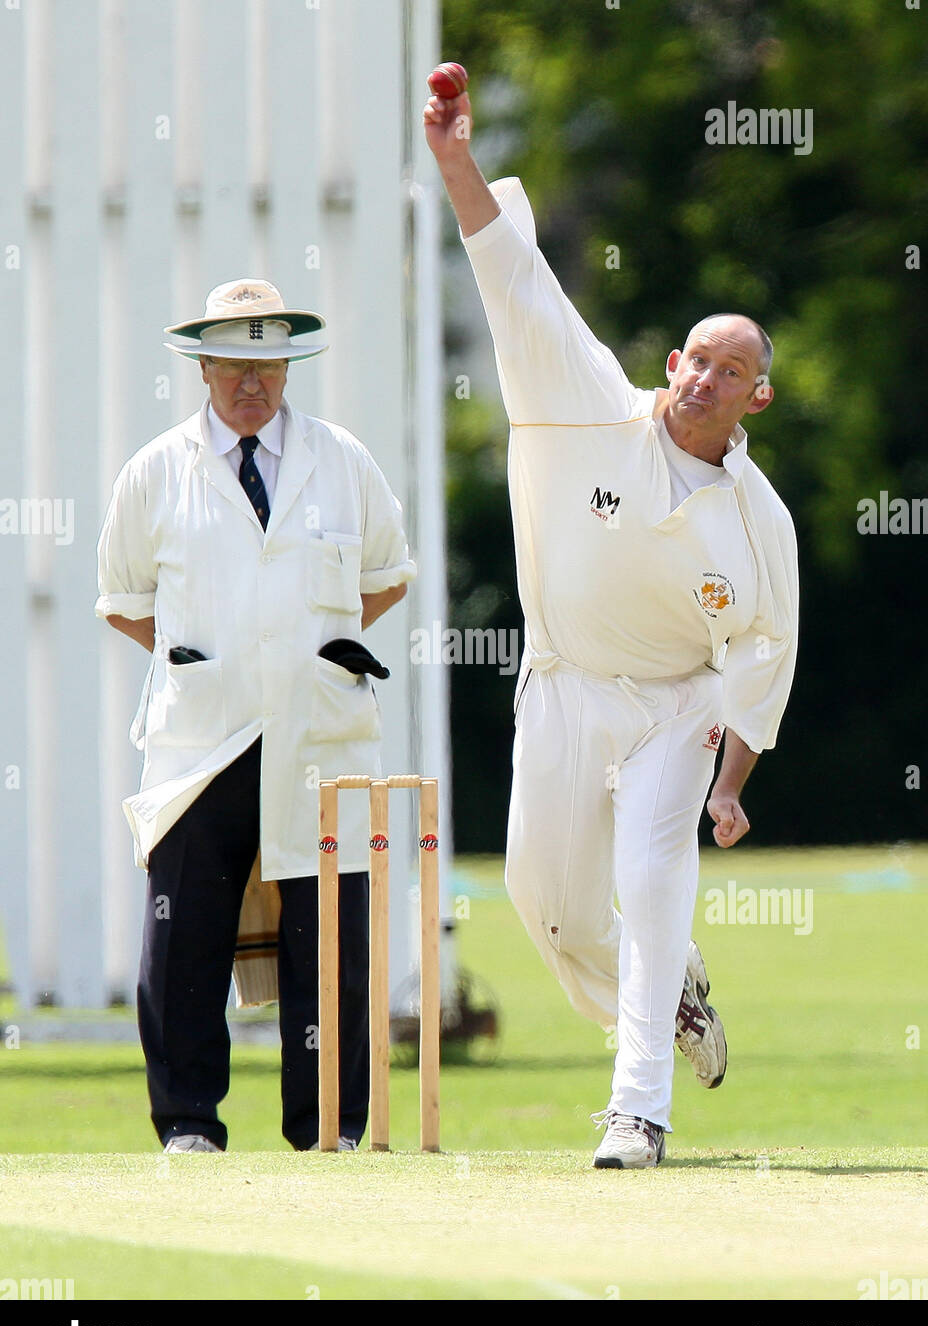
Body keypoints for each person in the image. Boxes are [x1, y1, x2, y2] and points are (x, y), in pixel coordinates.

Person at [424, 85, 798, 1168]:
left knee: (647, 880)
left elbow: (763, 657)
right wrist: (456, 159)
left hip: (676, 707)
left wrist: (729, 780)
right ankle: (674, 990)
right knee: (541, 902)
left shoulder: (757, 519)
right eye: (695, 358)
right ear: (671, 362)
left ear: (754, 399)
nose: (704, 378)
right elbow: (515, 281)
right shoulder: (585, 400)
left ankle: (637, 1111)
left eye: (732, 370)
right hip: (561, 681)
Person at [96, 279, 415, 1153]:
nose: (252, 383)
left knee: (330, 937)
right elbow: (123, 602)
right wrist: (213, 659)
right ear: (202, 366)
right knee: (183, 935)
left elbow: (385, 579)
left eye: (269, 365)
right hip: (202, 738)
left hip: (321, 734)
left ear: (288, 368)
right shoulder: (156, 470)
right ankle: (189, 1124)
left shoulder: (341, 459)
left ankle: (333, 1129)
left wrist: (306, 656)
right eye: (235, 364)